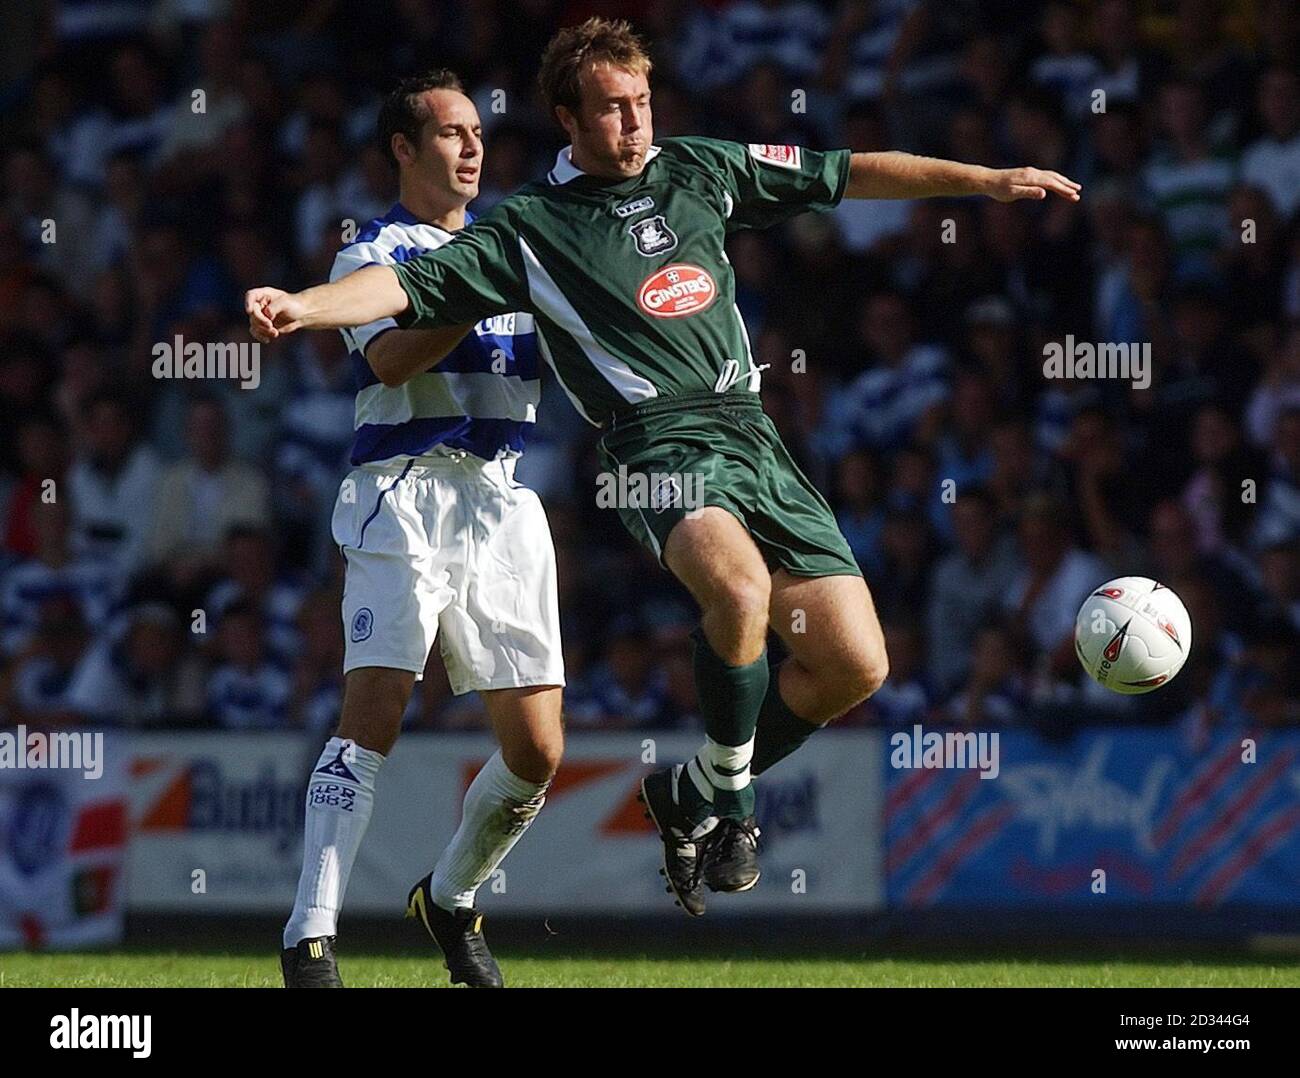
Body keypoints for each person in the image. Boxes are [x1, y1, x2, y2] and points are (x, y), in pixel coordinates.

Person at [246, 18, 1079, 920]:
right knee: (743, 593)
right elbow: (400, 291)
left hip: (755, 435)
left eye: (642, 103)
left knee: (854, 663)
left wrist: (983, 182)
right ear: (568, 118)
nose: (635, 123)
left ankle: (694, 793)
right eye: (612, 109)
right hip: (657, 447)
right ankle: (736, 804)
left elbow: (844, 171)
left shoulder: (700, 169)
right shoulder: (530, 226)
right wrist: (305, 304)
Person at [276, 70, 564, 989]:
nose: (473, 147)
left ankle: (450, 895)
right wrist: (477, 290)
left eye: (478, 131)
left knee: (539, 750)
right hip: (404, 488)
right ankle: (310, 935)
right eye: (450, 133)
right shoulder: (373, 247)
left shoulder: (513, 245)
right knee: (376, 716)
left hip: (505, 499)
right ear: (405, 148)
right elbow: (394, 355)